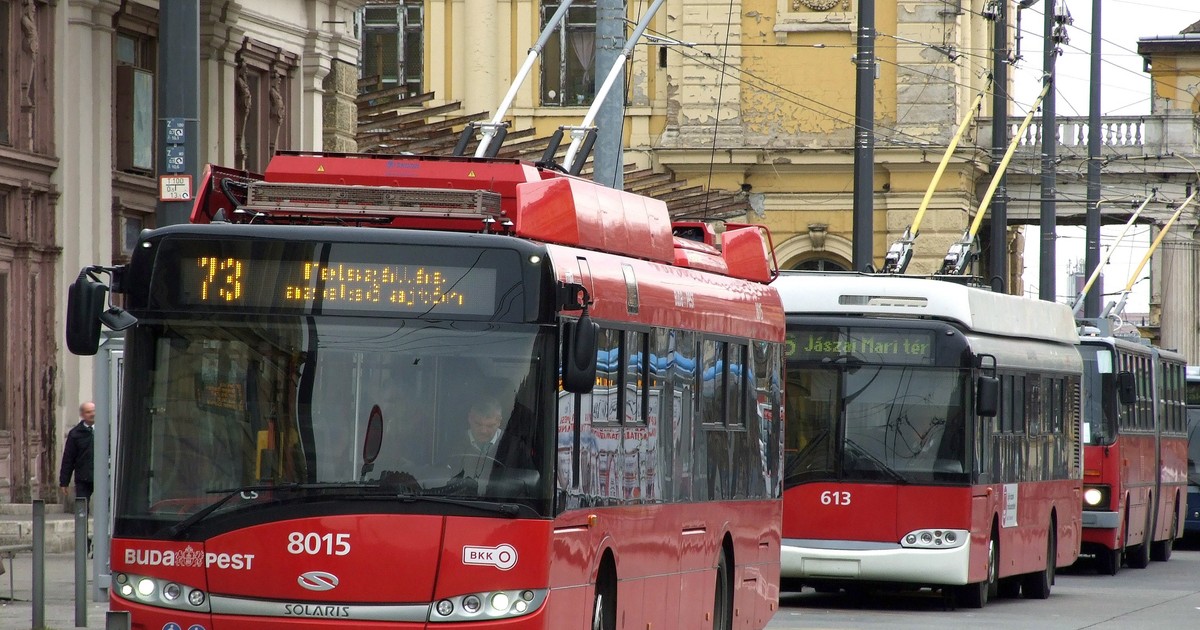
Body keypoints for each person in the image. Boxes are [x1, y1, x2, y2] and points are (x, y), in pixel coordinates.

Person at [447, 396, 534, 493]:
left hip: (501, 505)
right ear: (470, 418)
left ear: (499, 421)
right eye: (478, 424)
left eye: (490, 425)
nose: (483, 431)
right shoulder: (453, 444)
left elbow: (528, 483)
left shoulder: (515, 447)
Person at [59, 401, 96, 505]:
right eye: (88, 412)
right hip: (83, 478)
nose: (92, 414)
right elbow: (68, 458)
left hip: (103, 476)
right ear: (82, 415)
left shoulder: (106, 430)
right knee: (82, 508)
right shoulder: (75, 433)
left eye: (94, 411)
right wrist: (64, 482)